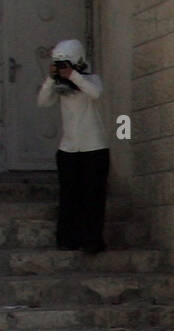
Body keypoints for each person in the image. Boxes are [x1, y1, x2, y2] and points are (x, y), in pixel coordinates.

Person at [37, 39, 109, 255]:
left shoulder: (91, 79)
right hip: (68, 149)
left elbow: (96, 93)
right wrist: (51, 79)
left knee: (93, 196)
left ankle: (92, 240)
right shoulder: (60, 86)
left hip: (94, 147)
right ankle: (68, 238)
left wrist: (74, 75)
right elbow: (43, 102)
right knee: (69, 196)